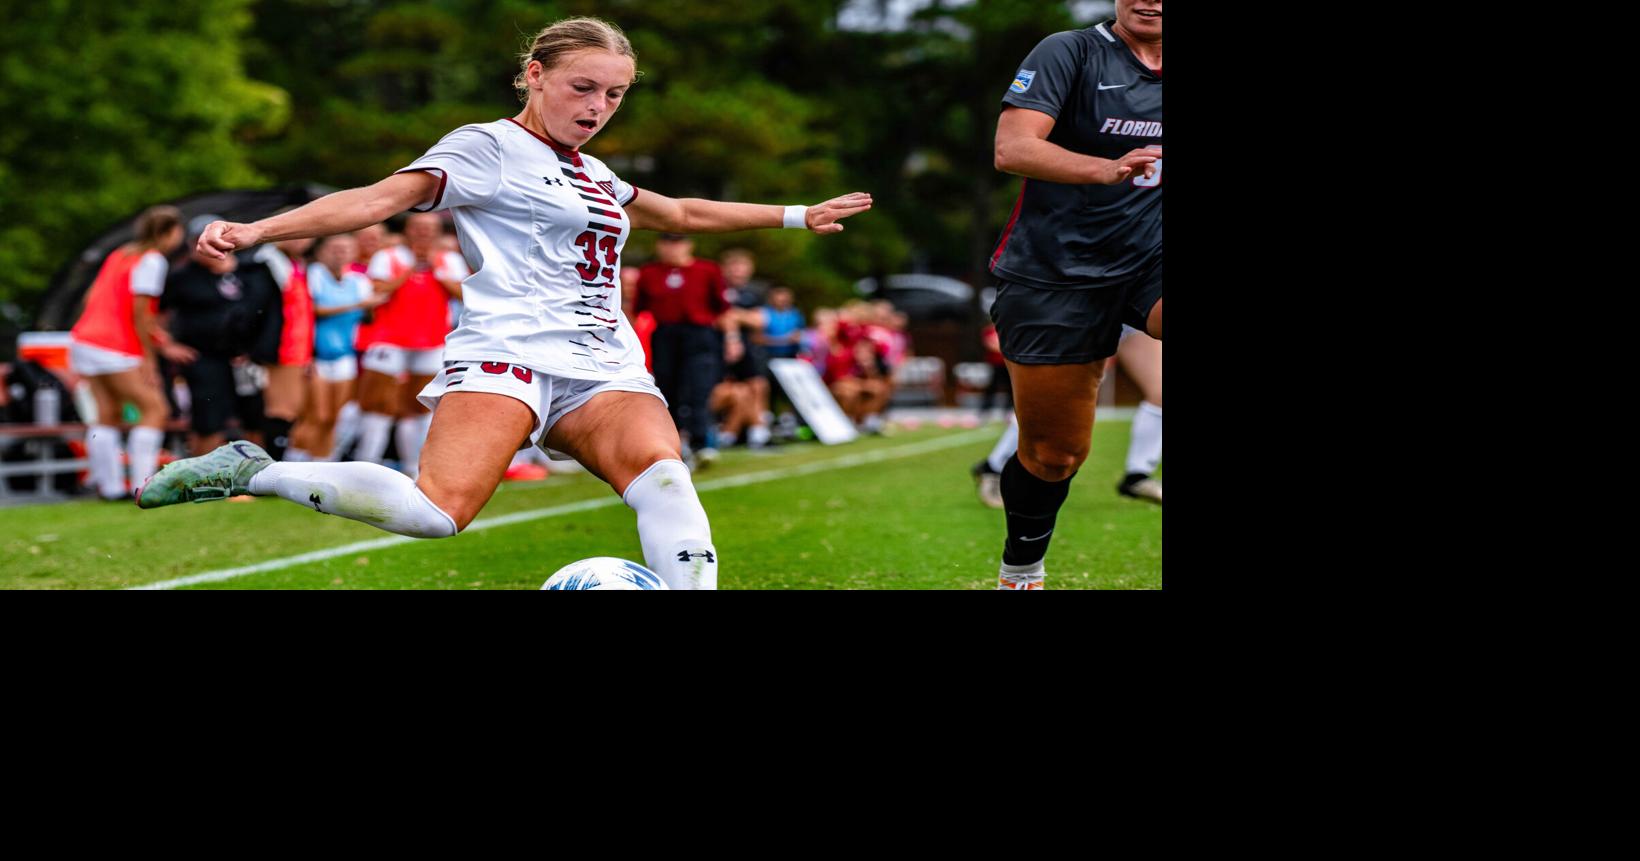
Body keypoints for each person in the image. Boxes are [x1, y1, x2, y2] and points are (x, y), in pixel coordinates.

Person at [138, 16, 871, 591]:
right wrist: (260, 229)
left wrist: (794, 214)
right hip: (509, 353)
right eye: (584, 87)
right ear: (534, 74)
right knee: (435, 513)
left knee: (667, 478)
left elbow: (676, 214)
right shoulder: (485, 147)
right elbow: (378, 199)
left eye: (614, 94)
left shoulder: (592, 171)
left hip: (603, 362)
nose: (599, 107)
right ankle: (250, 469)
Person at [984, 0, 1161, 590]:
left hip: (1153, 259)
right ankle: (1021, 571)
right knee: (1054, 454)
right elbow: (1012, 149)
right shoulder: (1070, 52)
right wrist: (1104, 169)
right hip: (1057, 270)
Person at [67, 205, 191, 499]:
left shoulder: (121, 253)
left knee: (106, 412)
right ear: (169, 232)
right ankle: (143, 486)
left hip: (84, 339)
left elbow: (91, 298)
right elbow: (141, 314)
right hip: (115, 344)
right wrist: (149, 359)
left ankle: (108, 488)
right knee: (154, 409)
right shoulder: (152, 260)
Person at [973, 326, 1161, 509]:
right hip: (1091, 307)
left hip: (1134, 308)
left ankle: (1138, 475)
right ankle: (994, 466)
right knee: (1060, 398)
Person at [355, 212, 469, 478]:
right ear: (407, 230)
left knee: (419, 407)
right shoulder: (389, 256)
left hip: (431, 339)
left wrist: (436, 271)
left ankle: (413, 471)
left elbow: (464, 293)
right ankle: (365, 466)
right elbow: (377, 290)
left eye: (429, 228)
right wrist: (409, 271)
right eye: (418, 227)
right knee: (378, 404)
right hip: (389, 338)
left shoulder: (447, 259)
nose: (423, 233)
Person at [160, 214, 285, 456]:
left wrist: (262, 351)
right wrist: (167, 345)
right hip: (204, 357)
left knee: (255, 418)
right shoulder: (182, 277)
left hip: (249, 358)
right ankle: (203, 478)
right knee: (209, 418)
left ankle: (255, 478)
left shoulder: (254, 272)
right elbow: (154, 314)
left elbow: (273, 312)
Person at [635, 233, 732, 464]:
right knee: (668, 389)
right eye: (667, 243)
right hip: (665, 335)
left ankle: (701, 442)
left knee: (699, 389)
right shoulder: (649, 273)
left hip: (699, 335)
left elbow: (722, 309)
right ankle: (673, 443)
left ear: (688, 245)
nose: (672, 248)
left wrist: (730, 339)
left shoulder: (706, 270)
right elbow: (639, 310)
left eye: (677, 242)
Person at [298, 232, 384, 460]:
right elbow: (313, 310)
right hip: (316, 356)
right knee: (316, 414)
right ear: (321, 251)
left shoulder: (359, 281)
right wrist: (357, 304)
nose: (340, 253)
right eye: (334, 248)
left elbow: (369, 316)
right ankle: (292, 462)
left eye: (345, 249)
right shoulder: (314, 274)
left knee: (334, 417)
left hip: (345, 355)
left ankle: (322, 464)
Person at [254, 235, 316, 461]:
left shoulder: (296, 264)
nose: (302, 241)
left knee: (294, 409)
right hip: (280, 348)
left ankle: (280, 463)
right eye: (296, 236)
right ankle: (273, 465)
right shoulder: (266, 264)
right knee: (280, 409)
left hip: (299, 347)